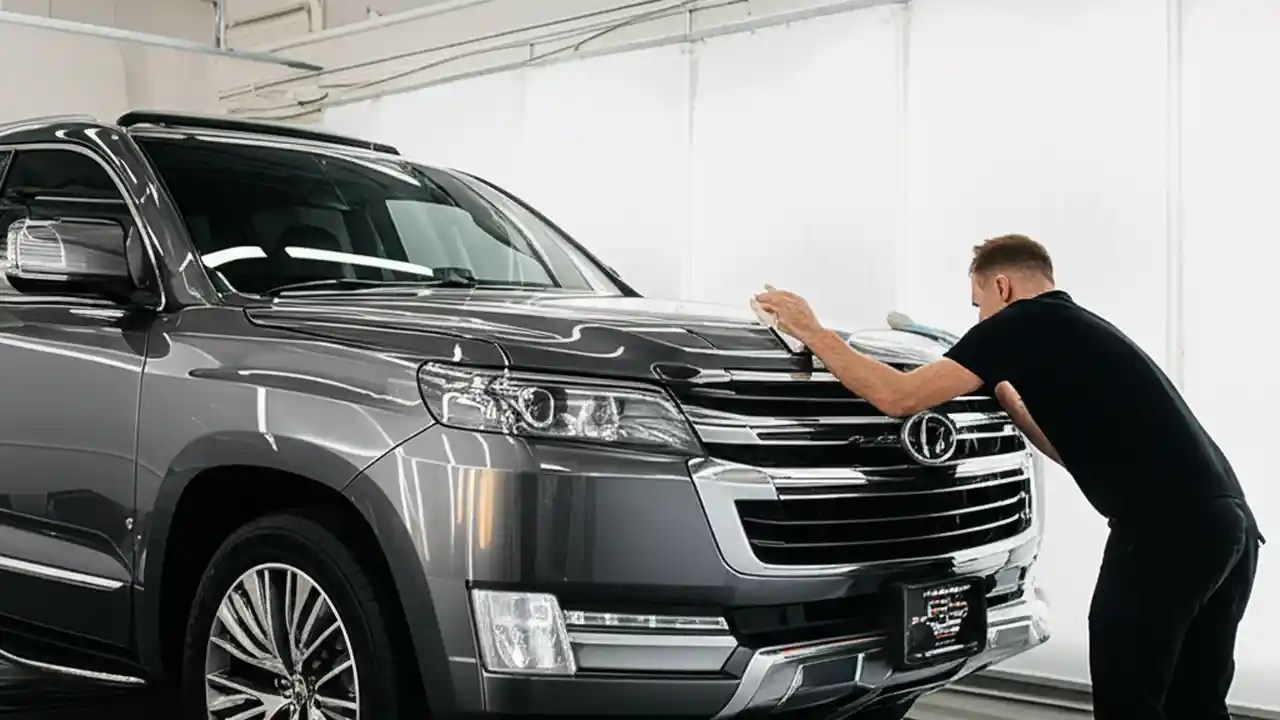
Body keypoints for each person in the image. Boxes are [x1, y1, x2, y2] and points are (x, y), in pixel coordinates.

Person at [754, 234, 1263, 720]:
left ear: (1002, 287)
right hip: (1230, 527)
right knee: (1196, 706)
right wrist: (1012, 404)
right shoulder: (1078, 330)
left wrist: (812, 331)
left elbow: (898, 397)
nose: (977, 319)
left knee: (1129, 698)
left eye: (976, 305)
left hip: (1166, 531)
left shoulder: (1017, 324)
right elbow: (1075, 451)